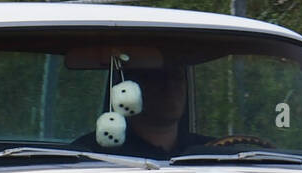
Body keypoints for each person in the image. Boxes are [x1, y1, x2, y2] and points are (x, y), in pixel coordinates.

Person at [70, 65, 212, 160]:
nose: (170, 86)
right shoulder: (90, 154)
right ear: (128, 90)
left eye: (177, 77)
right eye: (157, 78)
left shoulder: (211, 151)